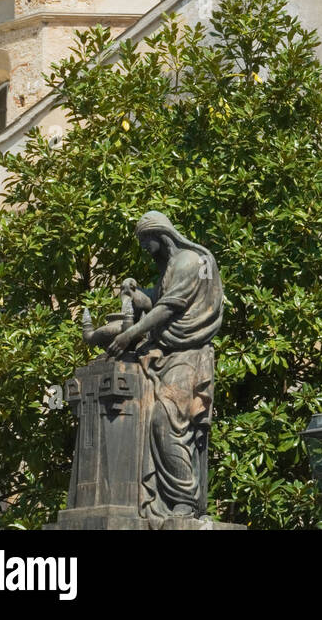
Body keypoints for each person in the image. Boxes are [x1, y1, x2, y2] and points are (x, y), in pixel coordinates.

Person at [106, 211, 223, 522]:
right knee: (154, 419)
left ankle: (184, 500)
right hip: (169, 354)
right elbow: (159, 299)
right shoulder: (172, 267)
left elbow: (171, 306)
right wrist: (136, 293)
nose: (143, 245)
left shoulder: (189, 261)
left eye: (146, 238)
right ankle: (171, 499)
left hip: (188, 356)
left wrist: (131, 332)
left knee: (165, 419)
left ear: (161, 234)